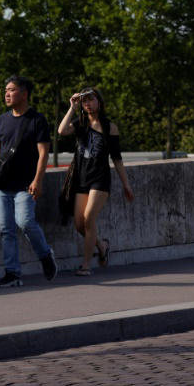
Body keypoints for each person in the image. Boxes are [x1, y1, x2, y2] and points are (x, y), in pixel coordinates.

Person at [0, 76, 58, 287]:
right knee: (6, 230)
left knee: (25, 222)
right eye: (5, 90)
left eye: (12, 90)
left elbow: (43, 154)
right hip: (3, 184)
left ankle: (45, 255)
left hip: (26, 184)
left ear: (24, 94)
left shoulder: (37, 120)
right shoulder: (3, 119)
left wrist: (38, 180)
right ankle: (13, 273)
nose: (7, 94)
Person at [57, 87, 134, 276]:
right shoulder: (80, 124)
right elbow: (61, 131)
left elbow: (117, 158)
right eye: (85, 102)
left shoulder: (110, 127)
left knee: (89, 217)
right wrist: (72, 107)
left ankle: (86, 265)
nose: (88, 104)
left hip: (100, 180)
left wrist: (126, 184)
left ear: (99, 102)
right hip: (81, 179)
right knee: (79, 224)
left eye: (91, 100)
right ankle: (102, 244)